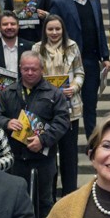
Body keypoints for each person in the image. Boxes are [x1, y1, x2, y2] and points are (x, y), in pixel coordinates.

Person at [0, 51, 68, 218]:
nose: (30, 73)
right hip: (15, 158)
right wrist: (7, 122)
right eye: (26, 69)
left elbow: (62, 121)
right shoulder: (8, 92)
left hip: (43, 158)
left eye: (34, 69)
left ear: (42, 69)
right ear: (20, 69)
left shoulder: (54, 94)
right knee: (17, 202)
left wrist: (44, 140)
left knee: (45, 202)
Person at [48, 0, 110, 140]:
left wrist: (105, 56)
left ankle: (92, 142)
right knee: (65, 104)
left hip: (91, 61)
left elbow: (100, 29)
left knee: (90, 105)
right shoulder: (59, 2)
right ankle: (65, 141)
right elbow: (52, 31)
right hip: (67, 62)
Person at [37, 16, 85, 192]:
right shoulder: (37, 49)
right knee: (48, 156)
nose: (54, 33)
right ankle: (50, 196)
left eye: (58, 29)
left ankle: (70, 195)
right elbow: (33, 75)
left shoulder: (72, 46)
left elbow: (80, 72)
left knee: (69, 156)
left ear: (63, 30)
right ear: (45, 31)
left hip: (70, 108)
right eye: (50, 29)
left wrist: (74, 87)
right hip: (45, 110)